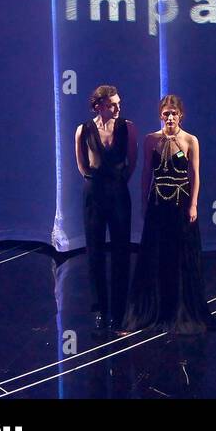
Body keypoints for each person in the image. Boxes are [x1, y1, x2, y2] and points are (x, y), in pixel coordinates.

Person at [122, 94, 211, 334]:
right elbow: (145, 174)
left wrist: (193, 205)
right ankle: (153, 310)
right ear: (160, 115)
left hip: (181, 203)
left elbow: (195, 175)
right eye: (166, 113)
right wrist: (143, 201)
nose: (170, 117)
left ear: (180, 115)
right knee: (156, 254)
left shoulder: (191, 140)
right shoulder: (151, 140)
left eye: (173, 113)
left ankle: (180, 311)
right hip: (158, 202)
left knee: (180, 254)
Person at [74, 85, 137, 331]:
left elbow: (132, 161)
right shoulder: (83, 130)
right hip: (94, 192)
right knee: (95, 251)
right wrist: (97, 182)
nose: (118, 107)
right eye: (112, 104)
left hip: (119, 191)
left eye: (118, 103)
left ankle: (119, 310)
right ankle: (99, 308)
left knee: (122, 251)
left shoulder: (127, 127)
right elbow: (81, 165)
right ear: (99, 105)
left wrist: (119, 182)